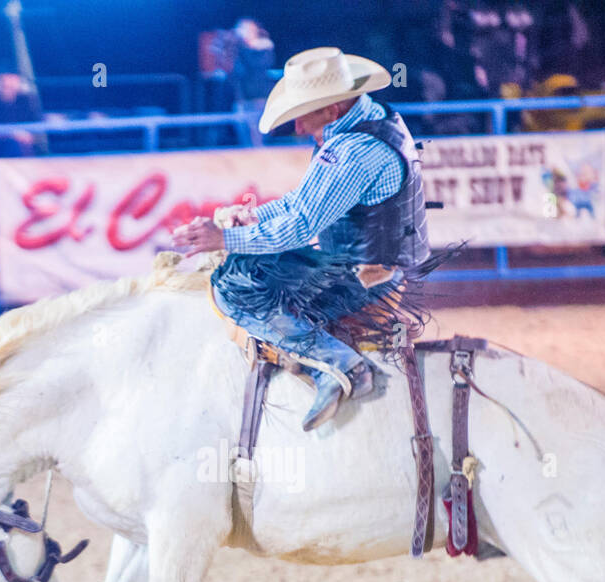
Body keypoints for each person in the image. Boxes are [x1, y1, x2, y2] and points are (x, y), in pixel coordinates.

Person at [173, 46, 430, 431]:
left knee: (233, 286)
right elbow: (301, 204)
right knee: (248, 262)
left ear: (332, 110)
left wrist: (225, 239)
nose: (296, 128)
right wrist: (254, 217)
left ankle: (338, 365)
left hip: (364, 280)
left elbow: (301, 226)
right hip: (367, 265)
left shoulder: (352, 154)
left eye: (302, 116)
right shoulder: (369, 122)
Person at [0, 69, 46, 157]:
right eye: (6, 85)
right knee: (13, 146)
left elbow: (36, 122)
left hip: (25, 144)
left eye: (12, 85)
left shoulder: (27, 101)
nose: (10, 88)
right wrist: (12, 134)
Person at [230, 17, 274, 146]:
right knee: (243, 135)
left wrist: (245, 46)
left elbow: (254, 65)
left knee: (257, 136)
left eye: (246, 29)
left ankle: (261, 161)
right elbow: (236, 72)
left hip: (258, 97)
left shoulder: (264, 47)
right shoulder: (238, 49)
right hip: (242, 98)